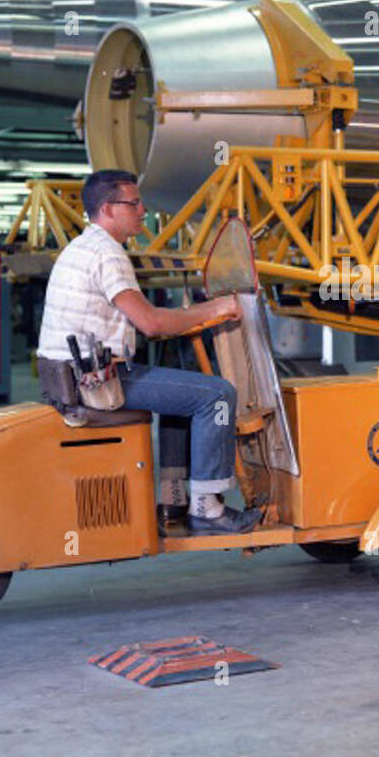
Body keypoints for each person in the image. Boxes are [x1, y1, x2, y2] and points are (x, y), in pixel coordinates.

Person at [37, 168, 261, 535]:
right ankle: (209, 508)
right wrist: (216, 309)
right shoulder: (109, 255)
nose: (143, 210)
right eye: (134, 203)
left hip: (69, 378)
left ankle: (173, 499)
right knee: (217, 396)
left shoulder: (82, 247)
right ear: (109, 209)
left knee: (183, 392)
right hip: (96, 384)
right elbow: (152, 323)